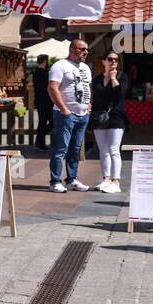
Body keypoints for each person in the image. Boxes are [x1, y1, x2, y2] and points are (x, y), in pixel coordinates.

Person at [47, 39, 93, 192]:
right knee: (61, 149)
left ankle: (71, 179)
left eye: (86, 49)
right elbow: (52, 88)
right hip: (65, 114)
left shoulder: (86, 68)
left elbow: (87, 87)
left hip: (82, 115)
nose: (85, 52)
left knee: (75, 149)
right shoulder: (60, 65)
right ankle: (55, 182)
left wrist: (89, 105)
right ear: (72, 49)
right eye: (82, 49)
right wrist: (64, 109)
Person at [90, 53, 128, 193]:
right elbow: (96, 98)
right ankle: (106, 179)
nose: (113, 61)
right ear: (104, 61)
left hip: (117, 117)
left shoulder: (122, 76)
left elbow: (121, 94)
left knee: (114, 149)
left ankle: (116, 181)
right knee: (103, 150)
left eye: (116, 60)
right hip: (100, 117)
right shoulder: (97, 79)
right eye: (110, 59)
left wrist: (113, 79)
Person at [31, 54, 52, 151]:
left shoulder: (35, 73)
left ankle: (39, 142)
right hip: (47, 101)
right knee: (52, 122)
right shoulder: (46, 73)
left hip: (39, 101)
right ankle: (40, 141)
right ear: (44, 61)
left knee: (42, 122)